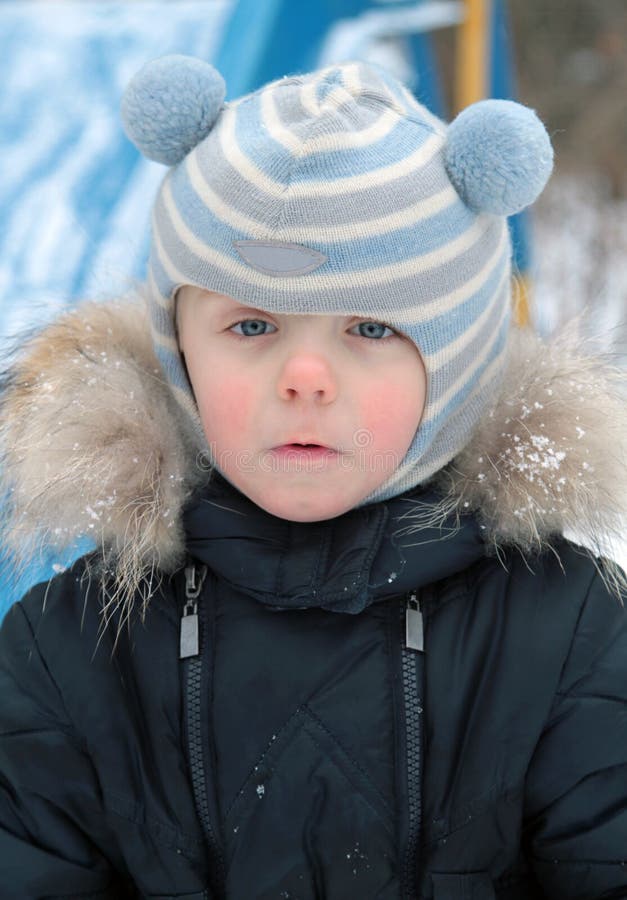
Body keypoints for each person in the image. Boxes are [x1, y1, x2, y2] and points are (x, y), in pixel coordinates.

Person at [0, 55, 626, 900]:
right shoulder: (71, 647)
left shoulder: (570, 636)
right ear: (178, 350)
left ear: (460, 362)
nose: (303, 376)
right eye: (250, 323)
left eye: (369, 327)